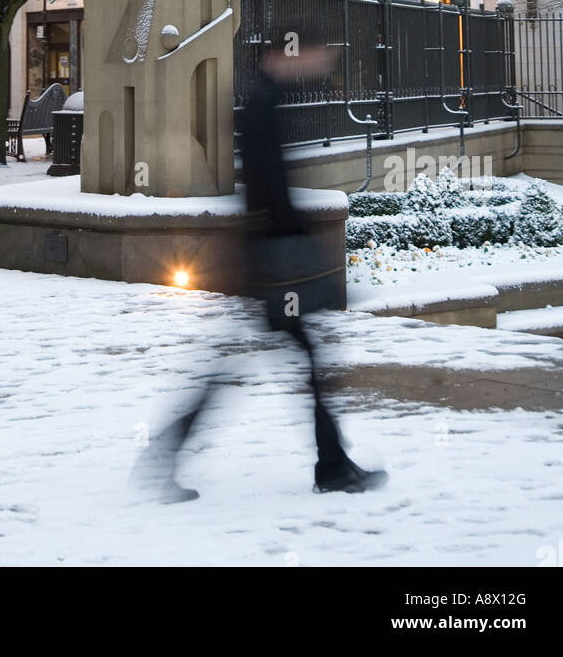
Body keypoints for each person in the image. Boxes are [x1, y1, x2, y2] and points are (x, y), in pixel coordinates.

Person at [132, 45, 388, 503]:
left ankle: (329, 465)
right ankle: (329, 468)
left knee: (265, 366)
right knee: (266, 367)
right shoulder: (262, 104)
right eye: (304, 55)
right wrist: (296, 249)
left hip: (269, 258)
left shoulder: (264, 100)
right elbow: (269, 188)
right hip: (274, 262)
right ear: (278, 55)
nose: (310, 63)